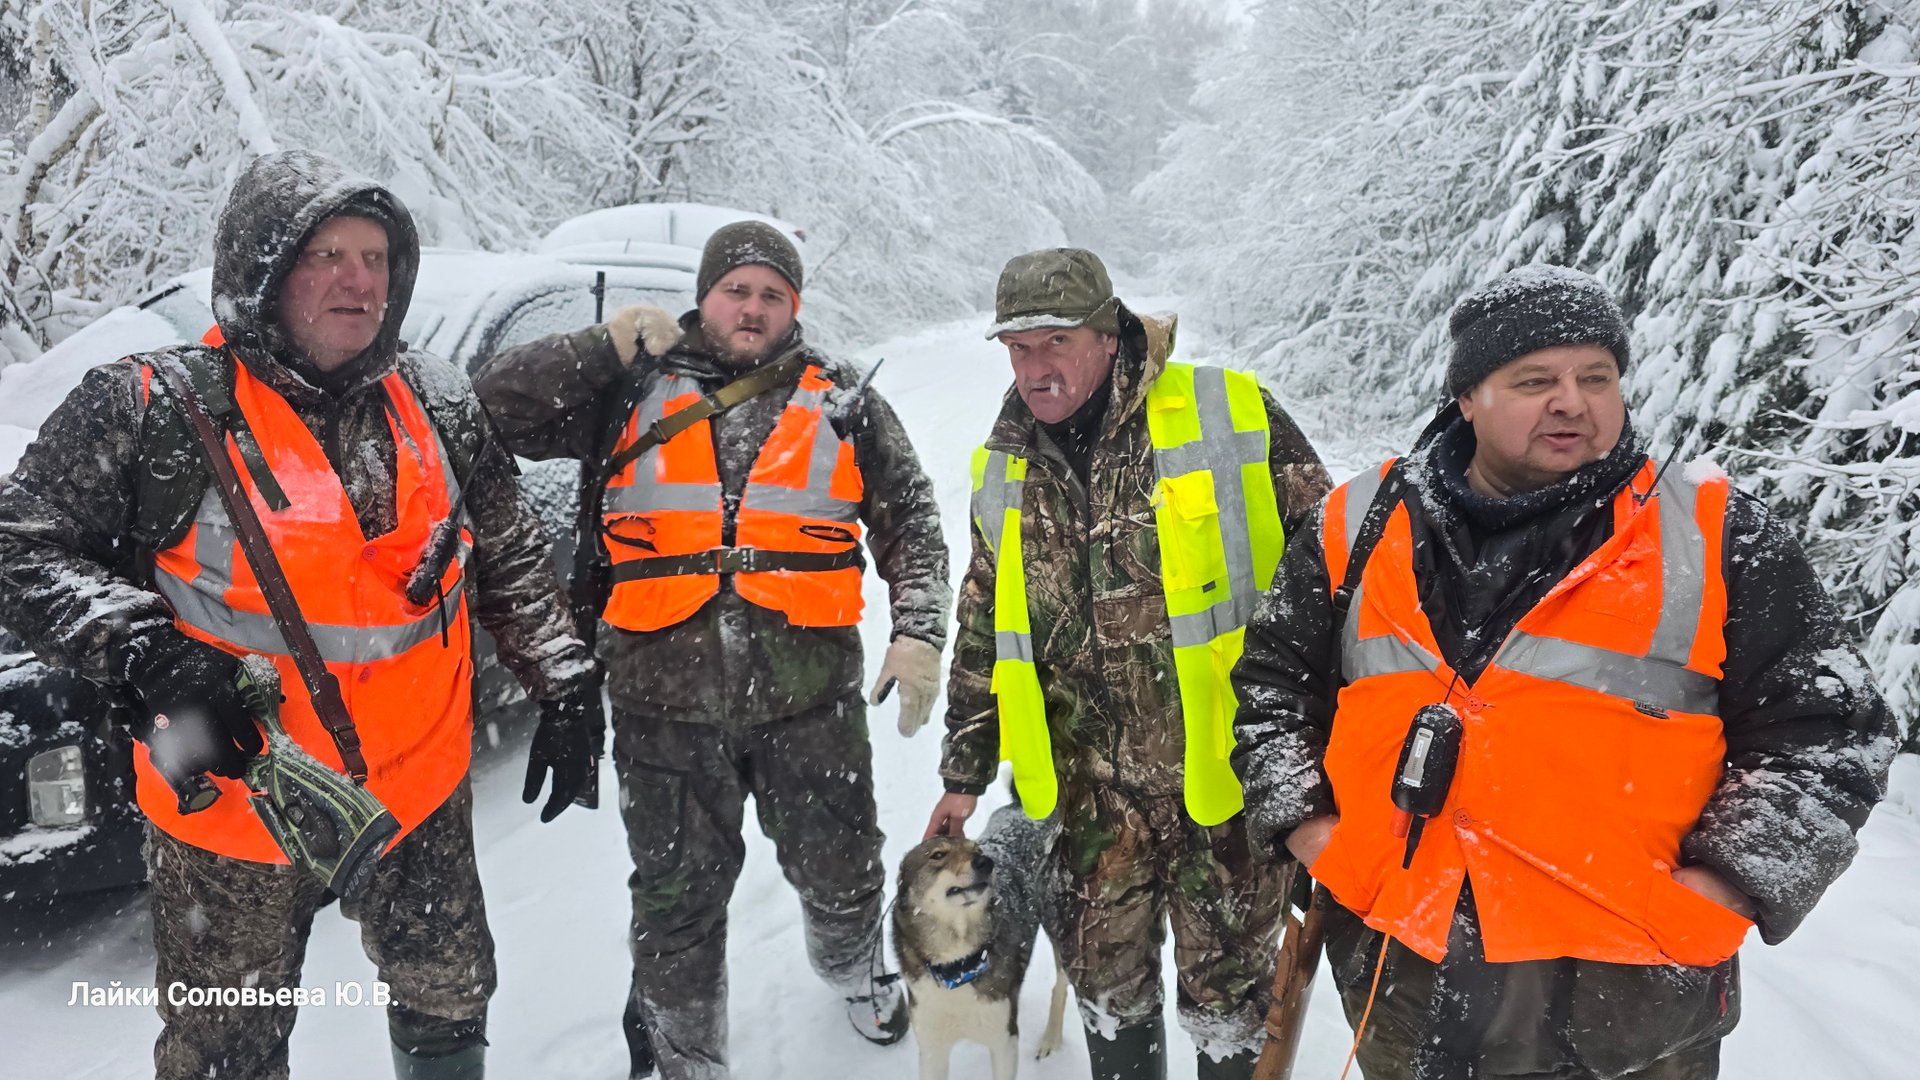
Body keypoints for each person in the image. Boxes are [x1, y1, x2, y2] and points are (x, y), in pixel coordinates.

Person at [0, 149, 602, 1080]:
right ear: (260, 269)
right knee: (225, 1054)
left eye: (375, 256)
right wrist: (145, 654)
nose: (359, 281)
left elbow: (509, 550)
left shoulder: (437, 399)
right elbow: (18, 546)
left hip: (417, 792)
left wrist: (562, 681)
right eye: (327, 254)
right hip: (237, 807)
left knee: (448, 992)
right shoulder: (149, 407)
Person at [1230, 266, 1898, 1080]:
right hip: (1406, 976)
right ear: (1468, 397)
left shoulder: (1714, 531)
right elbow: (1271, 687)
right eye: (1535, 379)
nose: (1572, 402)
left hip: (1635, 1003)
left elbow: (1832, 730)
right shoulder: (1357, 525)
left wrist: (1733, 879)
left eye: (1597, 377)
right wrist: (1309, 829)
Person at [473, 220, 951, 1079]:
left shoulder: (840, 396)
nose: (753, 307)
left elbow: (912, 518)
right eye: (738, 288)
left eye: (774, 294)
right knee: (674, 905)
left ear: (793, 307)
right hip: (664, 712)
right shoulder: (628, 387)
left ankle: (852, 968)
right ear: (705, 295)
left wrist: (917, 630)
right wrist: (598, 347)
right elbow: (489, 410)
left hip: (811, 705)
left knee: (843, 878)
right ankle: (689, 1058)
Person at [924, 247, 1332, 1080]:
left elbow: (1334, 575)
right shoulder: (1003, 466)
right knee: (1109, 989)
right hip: (1086, 802)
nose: (1035, 369)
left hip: (1222, 787)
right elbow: (980, 625)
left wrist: (1336, 749)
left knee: (1229, 1004)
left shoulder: (1229, 413)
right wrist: (962, 772)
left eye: (1056, 342)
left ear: (1110, 335)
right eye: (1017, 348)